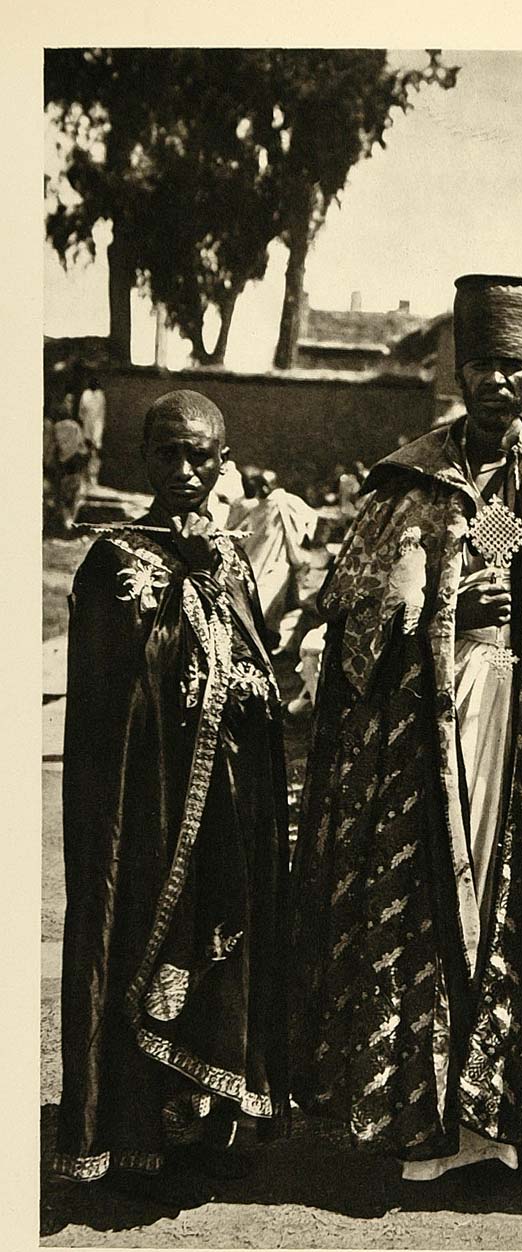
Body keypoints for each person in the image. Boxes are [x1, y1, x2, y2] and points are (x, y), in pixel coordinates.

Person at [290, 273, 522, 1194]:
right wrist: (448, 600)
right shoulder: (407, 482)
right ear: (461, 371)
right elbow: (355, 622)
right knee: (427, 902)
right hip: (429, 735)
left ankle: (513, 1119)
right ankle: (427, 1115)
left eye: (516, 370)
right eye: (485, 365)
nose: (500, 383)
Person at [55, 390, 290, 1192]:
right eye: (168, 453)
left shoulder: (231, 558)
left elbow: (255, 660)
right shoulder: (113, 563)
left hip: (228, 801)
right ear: (143, 459)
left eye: (201, 456)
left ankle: (206, 1121)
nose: (185, 470)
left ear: (223, 462)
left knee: (219, 949)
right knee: (142, 944)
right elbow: (109, 701)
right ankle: (132, 1130)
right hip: (149, 805)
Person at [227, 468, 318, 642]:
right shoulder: (257, 506)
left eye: (265, 484)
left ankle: (267, 637)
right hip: (257, 557)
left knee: (269, 600)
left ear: (271, 485)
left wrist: (303, 537)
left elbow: (311, 516)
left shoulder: (286, 501)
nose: (262, 489)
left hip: (279, 560)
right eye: (258, 485)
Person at [43, 394, 90, 534]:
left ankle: (66, 520)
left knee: (62, 493)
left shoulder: (55, 427)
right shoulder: (74, 425)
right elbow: (81, 444)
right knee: (74, 492)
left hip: (63, 463)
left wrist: (48, 461)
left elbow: (52, 447)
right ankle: (69, 520)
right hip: (75, 462)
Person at [78, 374, 107, 485]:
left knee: (95, 451)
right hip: (88, 426)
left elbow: (102, 412)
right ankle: (85, 476)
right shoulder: (86, 394)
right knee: (87, 449)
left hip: (97, 426)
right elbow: (81, 411)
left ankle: (94, 476)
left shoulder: (100, 395)